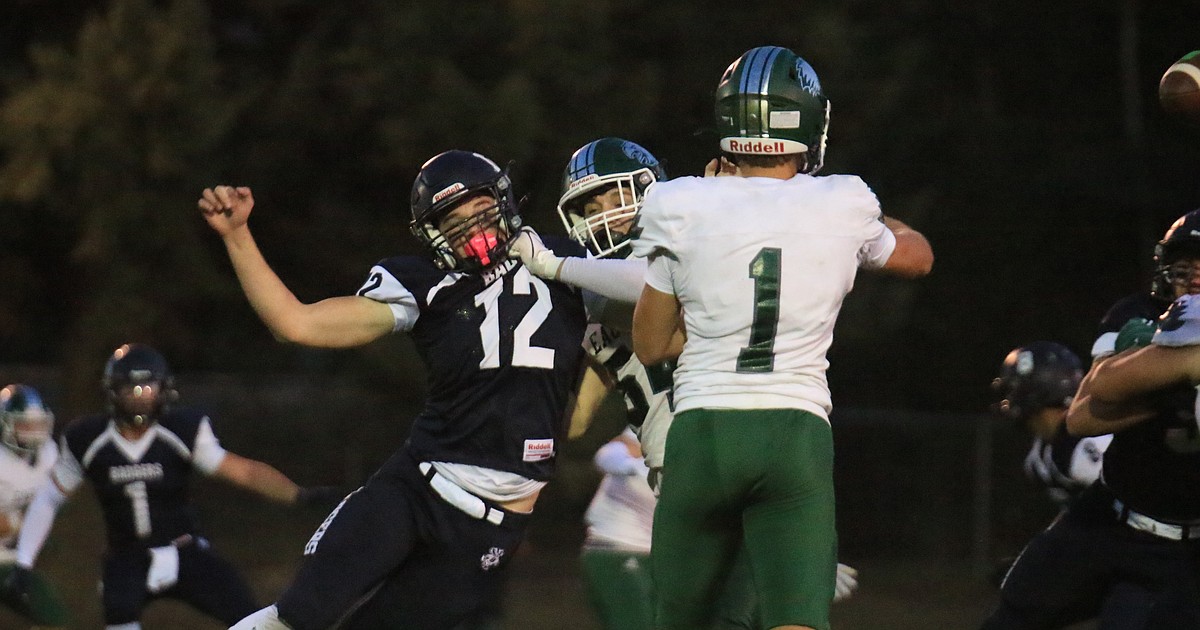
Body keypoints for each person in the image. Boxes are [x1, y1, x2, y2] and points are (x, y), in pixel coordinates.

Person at [198, 149, 589, 630]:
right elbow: (295, 323)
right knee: (298, 617)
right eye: (453, 220)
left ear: (504, 201)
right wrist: (237, 236)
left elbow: (631, 323)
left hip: (491, 527)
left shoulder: (565, 262)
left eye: (480, 207)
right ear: (433, 234)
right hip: (414, 491)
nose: (472, 225)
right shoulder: (427, 285)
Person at [628, 45, 933, 630]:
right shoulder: (845, 202)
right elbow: (918, 258)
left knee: (679, 620)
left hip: (703, 432)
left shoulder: (680, 204)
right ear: (808, 121)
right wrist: (874, 224)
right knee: (795, 618)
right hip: (796, 434)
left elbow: (652, 345)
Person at [979, 209, 1200, 629]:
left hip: (1182, 551)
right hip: (1108, 513)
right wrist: (1179, 377)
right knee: (1013, 614)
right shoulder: (1141, 313)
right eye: (1186, 260)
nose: (1194, 275)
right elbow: (1083, 416)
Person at [10, 343, 333, 630]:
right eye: (132, 389)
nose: (140, 397)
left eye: (147, 388)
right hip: (126, 559)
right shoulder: (88, 438)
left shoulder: (181, 430)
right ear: (113, 391)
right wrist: (23, 562)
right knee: (120, 615)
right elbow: (49, 498)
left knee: (251, 617)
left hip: (184, 550)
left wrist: (298, 495)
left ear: (163, 388)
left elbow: (244, 472)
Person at [991, 342, 1109, 510]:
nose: (1009, 398)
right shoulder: (1042, 452)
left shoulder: (1076, 445)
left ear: (1034, 391)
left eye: (1013, 388)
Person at [0, 384, 70, 628]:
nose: (33, 434)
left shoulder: (49, 454)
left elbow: (56, 501)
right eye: (24, 426)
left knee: (54, 618)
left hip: (15, 557)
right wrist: (21, 523)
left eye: (37, 426)